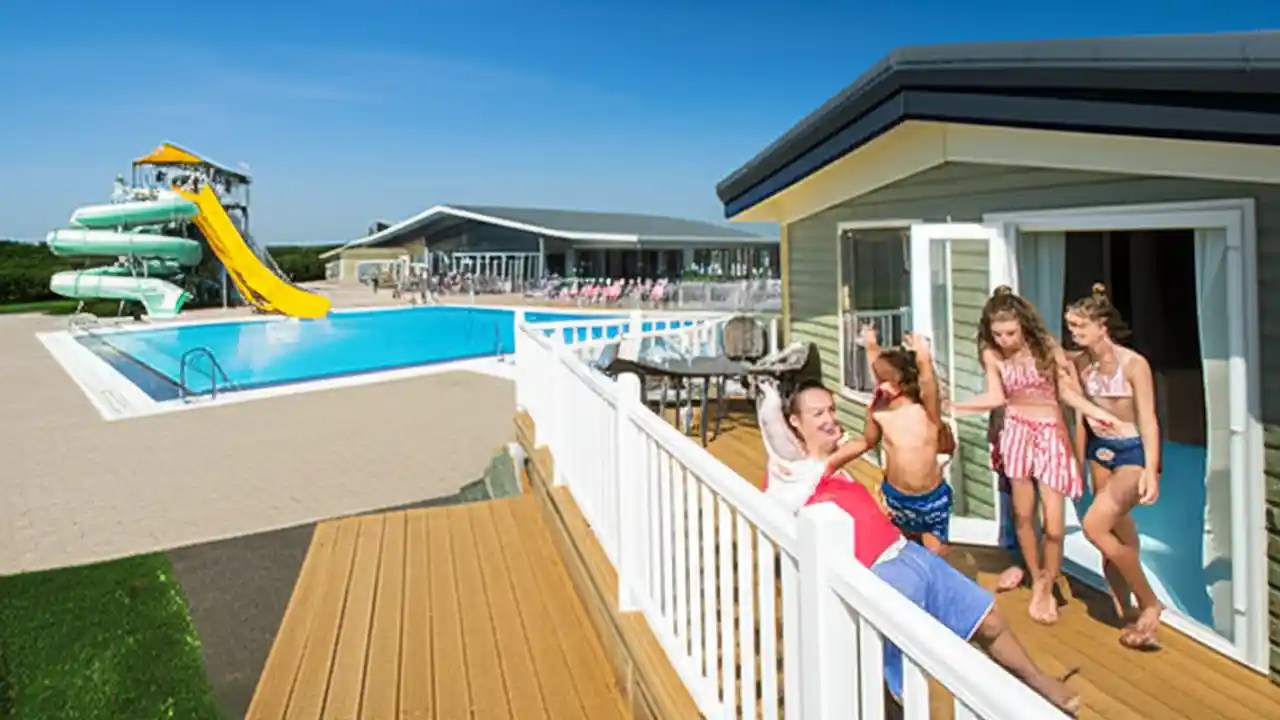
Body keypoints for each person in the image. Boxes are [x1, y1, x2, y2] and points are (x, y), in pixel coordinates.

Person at [758, 381, 1079, 715]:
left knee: (990, 620)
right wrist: (767, 401)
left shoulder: (838, 468)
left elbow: (866, 442)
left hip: (908, 554)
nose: (829, 419)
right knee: (904, 679)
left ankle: (1039, 684)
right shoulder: (791, 473)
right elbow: (774, 438)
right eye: (817, 413)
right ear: (794, 422)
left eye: (831, 410)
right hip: (878, 576)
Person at [948, 286, 1126, 625]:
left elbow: (1069, 395)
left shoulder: (1047, 349)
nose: (1004, 339)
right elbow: (997, 396)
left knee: (1055, 526)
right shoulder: (993, 355)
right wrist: (958, 405)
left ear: (1024, 325)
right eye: (997, 333)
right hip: (1015, 431)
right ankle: (1038, 578)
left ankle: (1048, 578)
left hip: (1049, 434)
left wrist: (1099, 414)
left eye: (1010, 332)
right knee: (1023, 515)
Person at [1065, 283, 1163, 649]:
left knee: (1094, 526)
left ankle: (1151, 603)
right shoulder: (1080, 363)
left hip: (1131, 451)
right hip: (1100, 451)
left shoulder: (1134, 364)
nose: (1074, 333)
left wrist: (1151, 469)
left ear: (1101, 326)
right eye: (1071, 327)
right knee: (1117, 537)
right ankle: (1130, 617)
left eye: (1080, 327)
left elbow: (1149, 419)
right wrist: (1078, 457)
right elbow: (1077, 413)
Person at [824, 326, 956, 554]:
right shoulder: (879, 413)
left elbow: (928, 384)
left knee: (935, 557)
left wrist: (923, 356)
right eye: (879, 381)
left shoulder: (926, 411)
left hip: (931, 500)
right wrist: (830, 463)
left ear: (903, 383)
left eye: (886, 381)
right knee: (898, 552)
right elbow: (866, 442)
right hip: (896, 500)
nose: (879, 385)